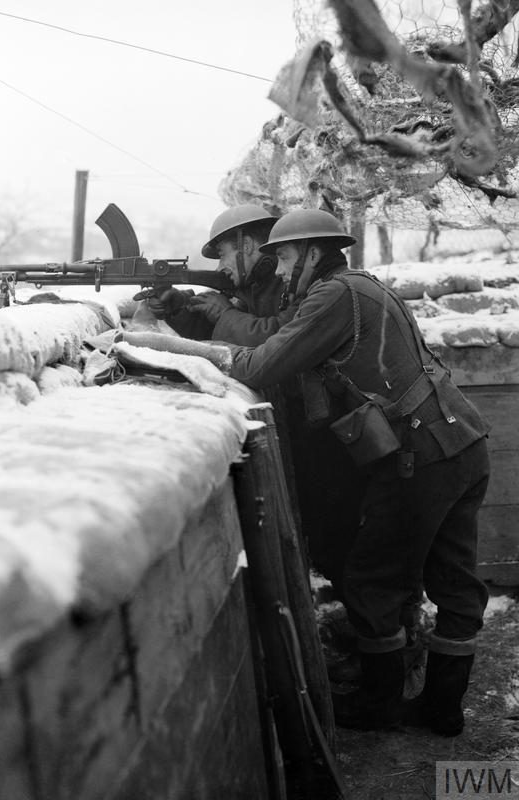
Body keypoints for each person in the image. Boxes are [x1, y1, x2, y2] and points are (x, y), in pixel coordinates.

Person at [227, 208, 491, 736]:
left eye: (281, 257)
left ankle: (380, 705)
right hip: (461, 444)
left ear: (310, 252)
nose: (277, 271)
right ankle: (443, 708)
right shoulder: (357, 286)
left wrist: (177, 348)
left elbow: (257, 367)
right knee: (455, 582)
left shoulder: (333, 295)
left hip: (420, 457)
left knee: (372, 583)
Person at [144, 204, 295, 345]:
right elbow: (215, 332)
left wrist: (224, 313)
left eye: (222, 255)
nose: (219, 268)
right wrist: (178, 308)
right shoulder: (252, 284)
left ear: (246, 246)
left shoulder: (292, 281)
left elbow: (283, 338)